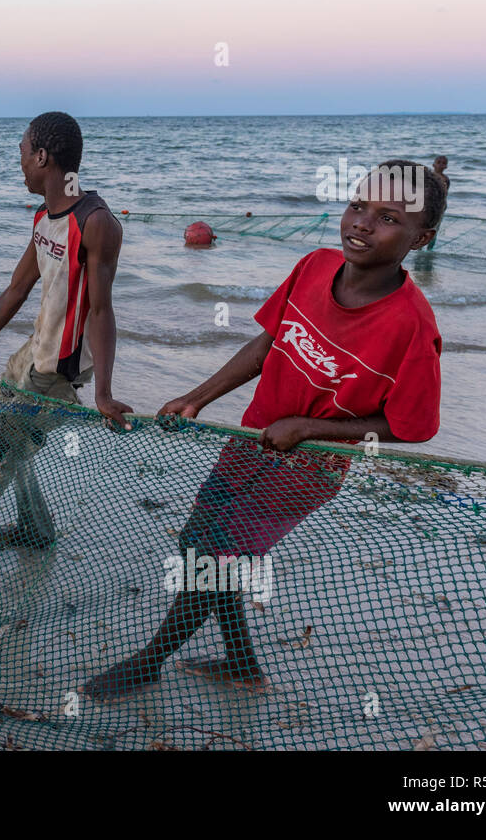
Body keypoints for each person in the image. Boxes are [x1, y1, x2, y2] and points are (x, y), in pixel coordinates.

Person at [81, 160, 445, 699]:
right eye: (357, 206)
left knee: (213, 556)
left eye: (388, 217)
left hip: (308, 467)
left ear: (422, 238)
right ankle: (243, 665)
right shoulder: (315, 267)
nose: (363, 224)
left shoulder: (411, 325)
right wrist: (197, 397)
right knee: (203, 544)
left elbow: (412, 427)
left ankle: (148, 662)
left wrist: (309, 427)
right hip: (253, 442)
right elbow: (268, 342)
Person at [0, 112, 132, 555]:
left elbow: (102, 311)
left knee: (4, 448)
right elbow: (18, 287)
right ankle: (35, 529)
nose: (18, 160)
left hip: (60, 366)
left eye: (22, 151)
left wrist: (104, 393)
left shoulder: (96, 222)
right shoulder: (45, 216)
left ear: (42, 156)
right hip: (34, 350)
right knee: (12, 439)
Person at [425, 155, 449, 250]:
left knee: (435, 229)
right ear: (433, 164)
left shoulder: (445, 179)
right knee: (424, 226)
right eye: (438, 162)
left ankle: (429, 249)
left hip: (439, 207)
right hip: (428, 206)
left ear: (446, 167)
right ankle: (419, 248)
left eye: (443, 163)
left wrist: (442, 207)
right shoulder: (429, 176)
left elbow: (445, 194)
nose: (441, 165)